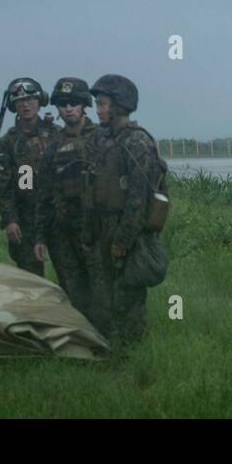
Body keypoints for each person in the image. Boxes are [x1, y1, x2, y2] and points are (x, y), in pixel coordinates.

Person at [88, 74, 166, 351]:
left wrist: (122, 240)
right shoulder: (104, 139)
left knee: (128, 297)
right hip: (104, 227)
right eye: (97, 104)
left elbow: (137, 201)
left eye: (103, 104)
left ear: (119, 105)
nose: (98, 110)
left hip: (127, 232)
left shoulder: (138, 143)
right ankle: (113, 349)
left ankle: (132, 355)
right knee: (107, 295)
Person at [32, 77, 101, 320]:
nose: (68, 108)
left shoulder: (101, 139)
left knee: (101, 289)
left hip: (96, 231)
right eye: (63, 104)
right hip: (63, 230)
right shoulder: (53, 144)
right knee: (73, 291)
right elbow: (44, 193)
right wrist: (40, 235)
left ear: (84, 105)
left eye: (73, 103)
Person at [0, 77, 57, 277]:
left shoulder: (56, 134)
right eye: (20, 101)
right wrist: (10, 219)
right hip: (26, 216)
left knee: (71, 274)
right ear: (14, 106)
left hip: (56, 214)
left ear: (40, 102)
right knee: (29, 279)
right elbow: (2, 185)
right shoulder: (8, 142)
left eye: (30, 99)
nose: (26, 105)